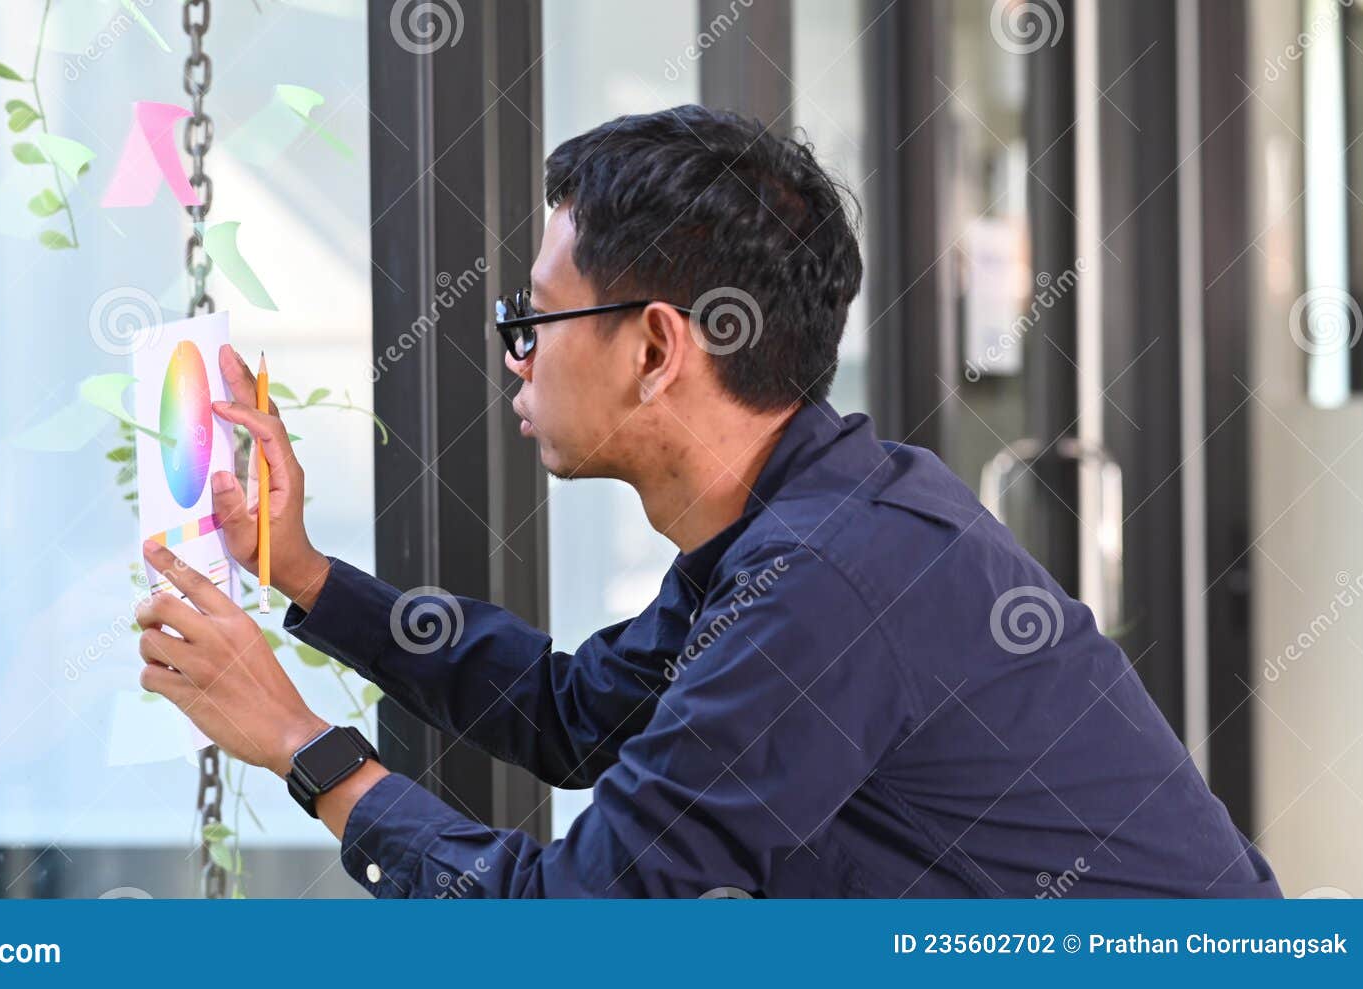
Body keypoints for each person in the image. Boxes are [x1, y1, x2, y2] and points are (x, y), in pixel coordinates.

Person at [136, 105, 1281, 898]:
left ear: (655, 348)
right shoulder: (806, 516)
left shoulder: (835, 576)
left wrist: (299, 742)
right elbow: (573, 712)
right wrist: (301, 571)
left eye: (533, 320)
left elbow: (573, 922)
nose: (514, 357)